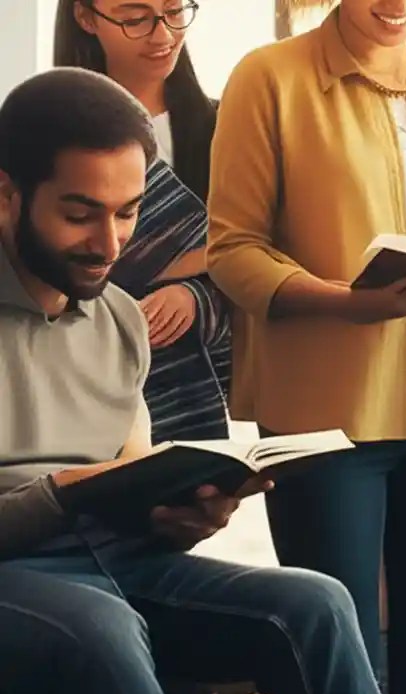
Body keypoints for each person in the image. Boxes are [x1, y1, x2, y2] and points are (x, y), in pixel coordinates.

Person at [0, 67, 385, 694]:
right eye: (79, 214)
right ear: (6, 195)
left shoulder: (121, 318)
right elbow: (77, 495)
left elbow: (130, 475)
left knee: (317, 604)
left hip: (115, 566)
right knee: (100, 628)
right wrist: (64, 493)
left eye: (127, 213)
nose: (110, 243)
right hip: (21, 573)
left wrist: (178, 514)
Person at [206, 0, 406, 694]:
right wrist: (346, 301)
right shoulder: (268, 78)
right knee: (338, 674)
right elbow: (233, 250)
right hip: (323, 420)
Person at [54, 0, 231, 443]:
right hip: (77, 388)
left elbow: (270, 252)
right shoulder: (46, 133)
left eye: (175, 12)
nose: (163, 34)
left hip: (204, 386)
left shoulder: (227, 125)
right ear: (86, 16)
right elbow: (43, 258)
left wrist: (197, 296)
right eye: (135, 18)